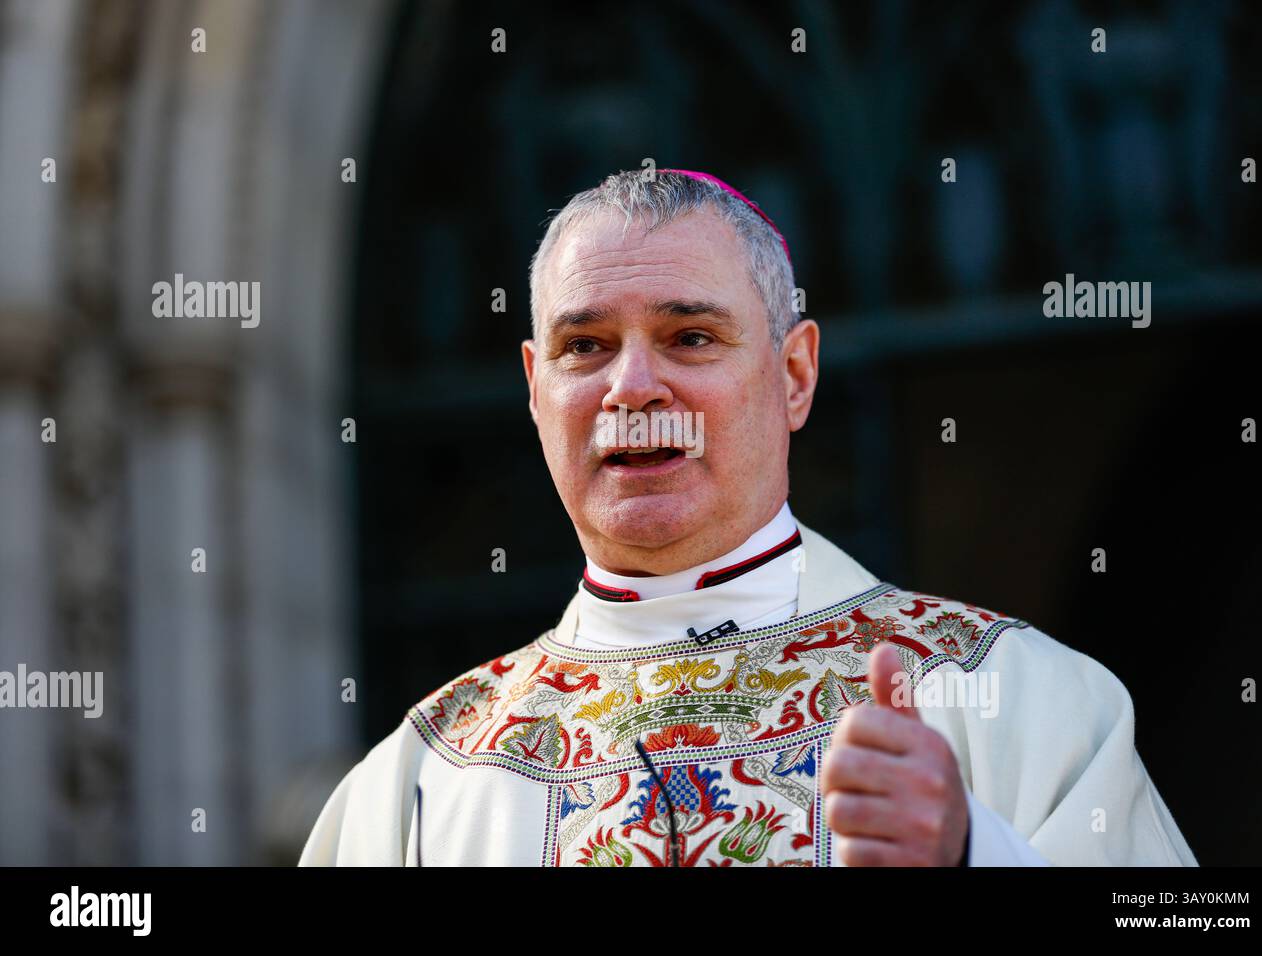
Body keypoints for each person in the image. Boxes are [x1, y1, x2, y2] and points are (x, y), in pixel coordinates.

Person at [300, 169, 1197, 866]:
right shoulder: (420, 784)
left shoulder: (1015, 699)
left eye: (690, 336)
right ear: (536, 391)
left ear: (795, 375)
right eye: (586, 347)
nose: (633, 387)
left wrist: (972, 855)